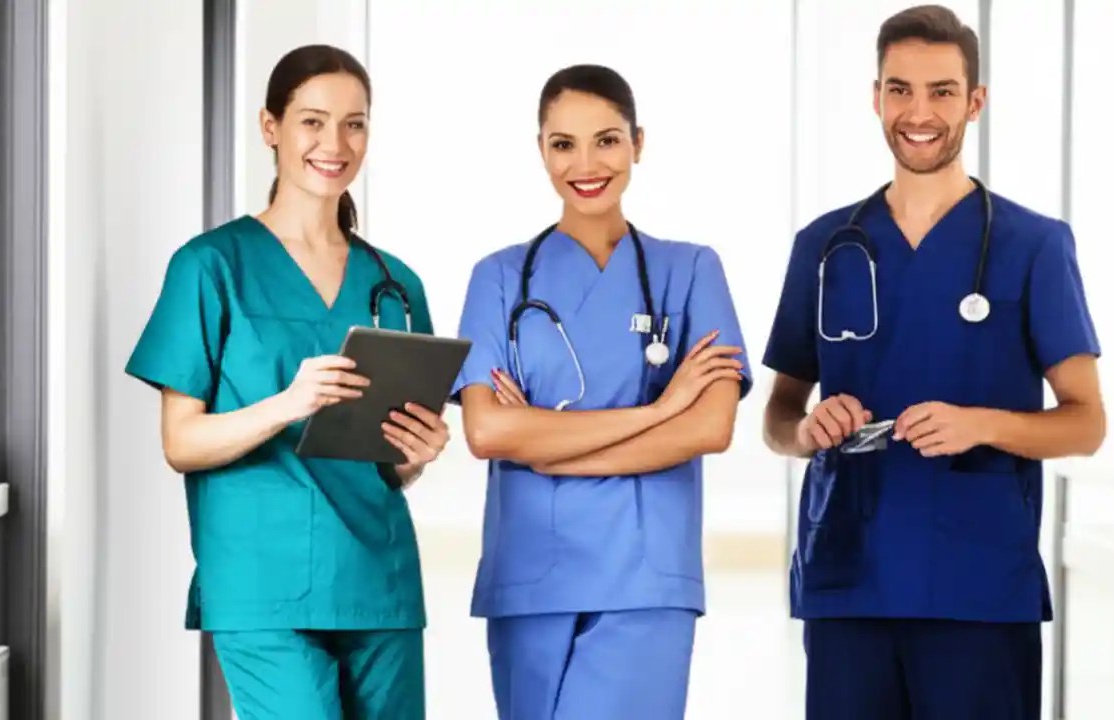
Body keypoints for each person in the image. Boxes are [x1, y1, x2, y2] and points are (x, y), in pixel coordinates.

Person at [761, 6, 1106, 719]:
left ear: (975, 101)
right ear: (876, 95)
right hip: (848, 575)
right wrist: (805, 430)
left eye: (942, 91)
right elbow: (778, 415)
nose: (919, 112)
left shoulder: (1033, 245)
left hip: (977, 582)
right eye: (900, 89)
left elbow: (1086, 424)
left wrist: (980, 423)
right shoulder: (824, 245)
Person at [124, 44, 448, 720]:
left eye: (354, 124)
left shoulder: (396, 284)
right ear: (271, 127)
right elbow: (181, 442)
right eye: (313, 121)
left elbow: (387, 467)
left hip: (378, 581)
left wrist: (413, 459)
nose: (335, 143)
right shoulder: (211, 266)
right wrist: (287, 405)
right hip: (260, 583)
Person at [449, 63, 752, 720]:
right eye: (563, 144)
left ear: (638, 143)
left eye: (607, 140)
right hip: (530, 580)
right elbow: (488, 433)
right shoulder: (498, 278)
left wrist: (547, 448)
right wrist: (659, 410)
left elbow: (710, 429)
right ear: (541, 152)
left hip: (646, 581)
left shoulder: (692, 270)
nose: (586, 163)